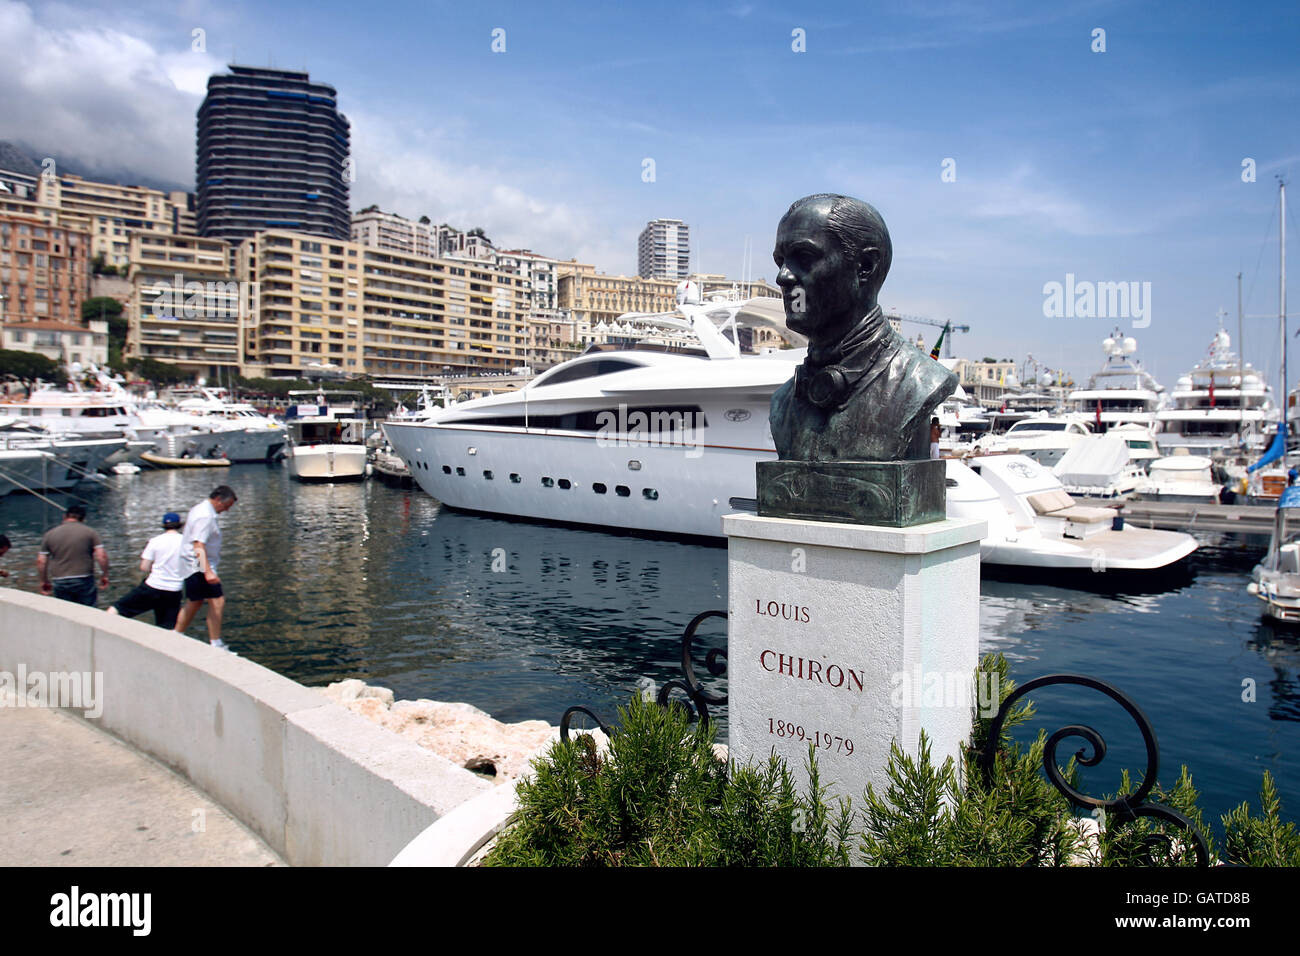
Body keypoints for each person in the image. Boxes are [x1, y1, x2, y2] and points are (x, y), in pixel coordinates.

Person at [768, 193, 957, 462]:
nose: (783, 276)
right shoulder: (784, 402)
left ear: (865, 267)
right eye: (780, 260)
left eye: (804, 256)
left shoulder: (918, 382)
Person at [174, 485, 237, 649]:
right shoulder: (206, 516)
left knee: (195, 601)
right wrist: (207, 572)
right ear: (218, 499)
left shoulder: (199, 508)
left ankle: (176, 634)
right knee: (217, 601)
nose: (226, 510)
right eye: (226, 506)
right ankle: (216, 643)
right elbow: (198, 545)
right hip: (198, 564)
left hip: (190, 562)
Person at [106, 512, 186, 629]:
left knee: (116, 609)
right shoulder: (186, 542)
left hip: (152, 587)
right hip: (174, 590)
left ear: (164, 525)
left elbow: (144, 567)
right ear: (180, 525)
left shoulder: (155, 541)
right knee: (167, 628)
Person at [36, 505, 109, 606]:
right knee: (89, 612)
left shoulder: (50, 534)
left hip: (60, 580)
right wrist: (104, 575)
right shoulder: (90, 533)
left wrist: (44, 581)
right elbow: (101, 556)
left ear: (64, 516)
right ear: (83, 519)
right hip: (84, 579)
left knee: (66, 612)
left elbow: (41, 561)